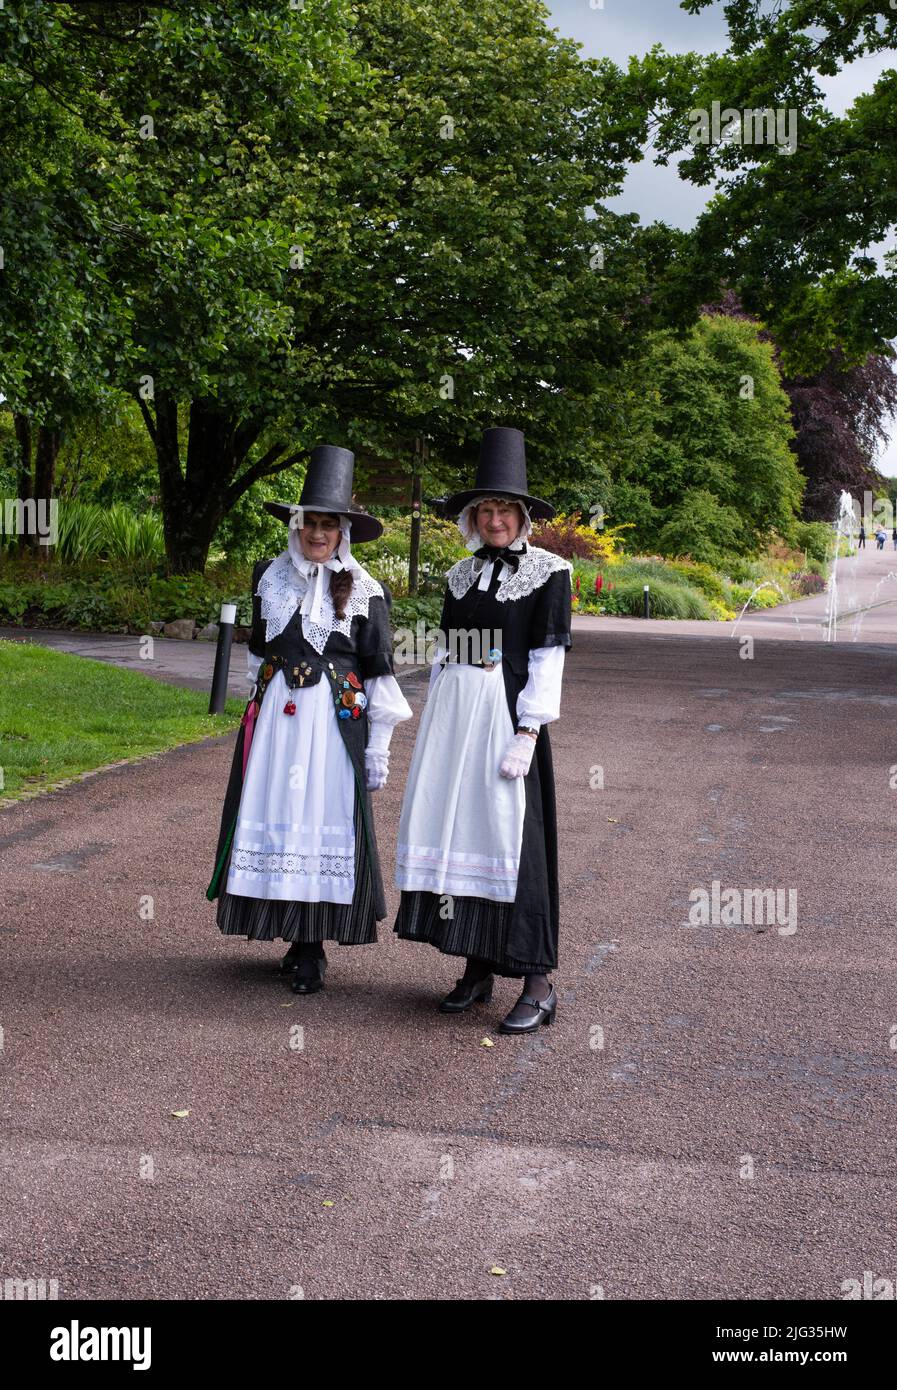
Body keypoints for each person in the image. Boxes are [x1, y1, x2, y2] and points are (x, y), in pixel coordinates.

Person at [206, 445, 412, 993]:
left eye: (327, 524)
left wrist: (378, 748)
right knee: (277, 815)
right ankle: (277, 926)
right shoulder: (268, 578)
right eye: (309, 522)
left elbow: (379, 677)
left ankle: (310, 947)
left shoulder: (367, 593)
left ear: (343, 532)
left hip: (331, 727)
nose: (317, 533)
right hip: (278, 720)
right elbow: (254, 655)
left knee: (320, 823)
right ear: (296, 525)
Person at [393, 427, 572, 1034]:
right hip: (457, 720)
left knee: (514, 844)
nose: (495, 519)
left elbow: (547, 656)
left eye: (505, 509)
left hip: (506, 724)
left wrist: (527, 734)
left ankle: (538, 982)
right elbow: (447, 649)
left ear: (523, 515)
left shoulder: (550, 573)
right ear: (474, 516)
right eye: (486, 509)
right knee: (462, 834)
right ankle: (476, 965)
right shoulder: (459, 575)